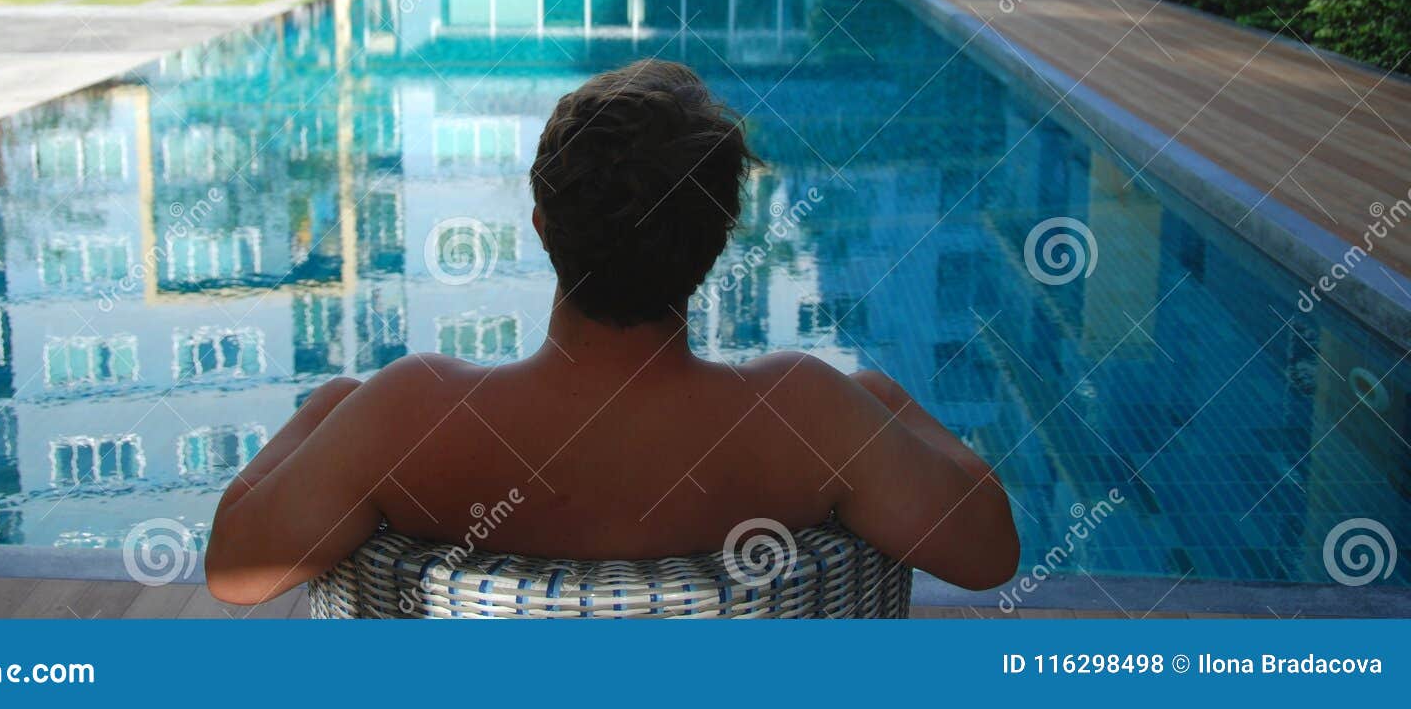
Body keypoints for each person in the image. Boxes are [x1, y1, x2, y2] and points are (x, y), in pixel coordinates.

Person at [204, 61, 1019, 606]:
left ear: (541, 224)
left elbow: (234, 568)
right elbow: (990, 551)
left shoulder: (411, 414)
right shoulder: (807, 414)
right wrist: (882, 397)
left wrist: (330, 407)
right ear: (718, 238)